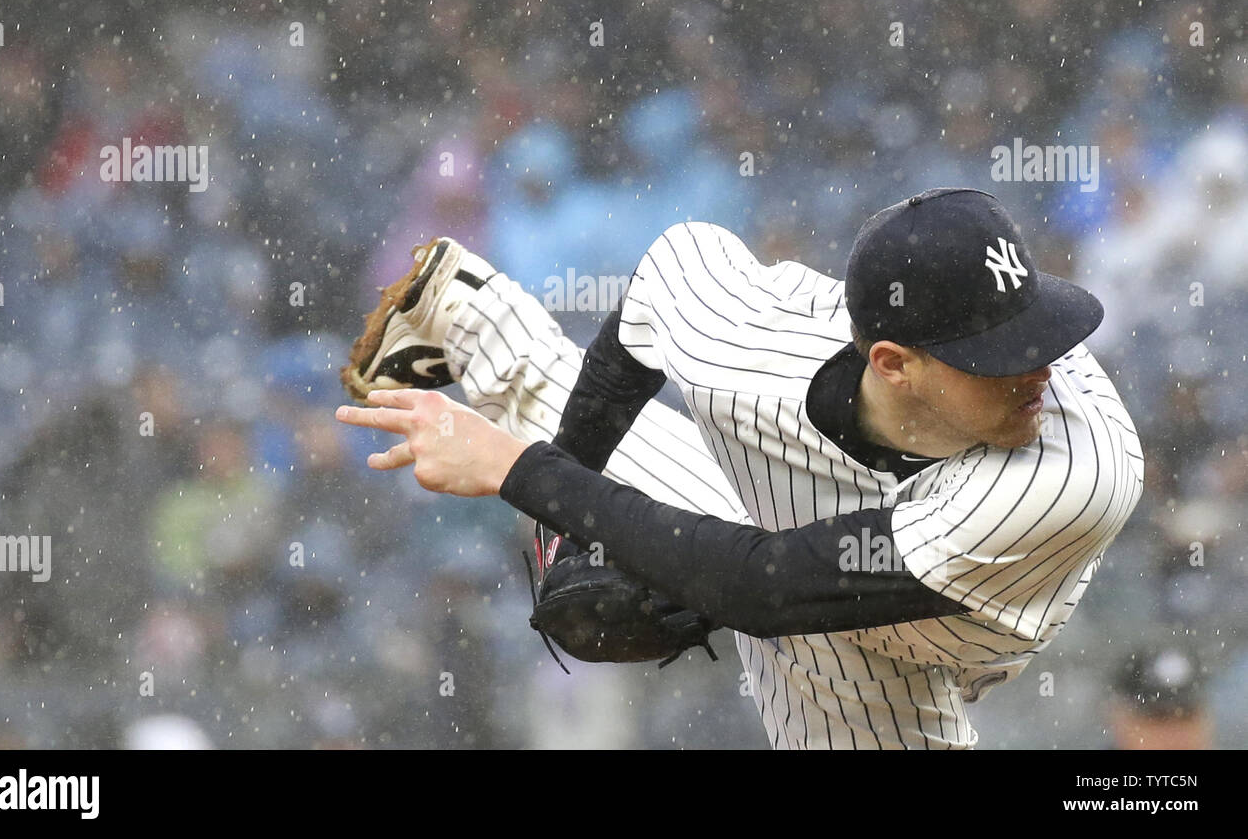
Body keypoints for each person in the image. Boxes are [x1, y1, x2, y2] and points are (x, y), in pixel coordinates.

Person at [335, 187, 1145, 749]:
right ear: (895, 362)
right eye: (998, 355)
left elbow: (760, 587)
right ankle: (467, 309)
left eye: (1041, 329)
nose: (1040, 366)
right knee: (699, 528)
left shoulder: (1075, 469)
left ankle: (481, 328)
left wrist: (528, 474)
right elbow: (665, 275)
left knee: (713, 544)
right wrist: (562, 524)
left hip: (936, 593)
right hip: (858, 632)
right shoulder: (762, 341)